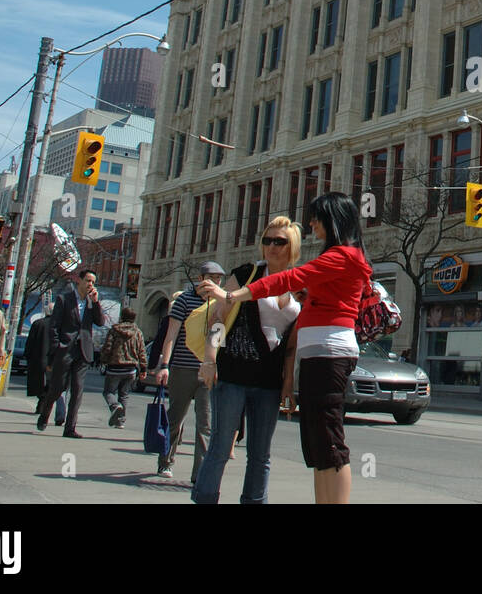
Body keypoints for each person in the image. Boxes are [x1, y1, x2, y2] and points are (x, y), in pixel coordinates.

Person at [206, 193, 371, 505]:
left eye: (316, 218)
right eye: (267, 240)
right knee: (316, 441)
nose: (311, 224)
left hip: (330, 351)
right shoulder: (335, 257)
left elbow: (291, 279)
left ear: (333, 219)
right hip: (317, 353)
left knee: (329, 438)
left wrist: (236, 296)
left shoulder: (344, 255)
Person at [192, 223, 301, 505]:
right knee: (220, 445)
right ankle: (205, 498)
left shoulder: (299, 284)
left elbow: (290, 346)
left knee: (261, 454)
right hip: (233, 374)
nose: (272, 246)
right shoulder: (246, 274)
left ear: (293, 247)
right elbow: (219, 318)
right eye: (267, 240)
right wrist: (209, 360)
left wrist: (288, 383)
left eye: (279, 241)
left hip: (269, 381)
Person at [152, 264, 222, 480]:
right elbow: (171, 334)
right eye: (211, 277)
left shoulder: (220, 303)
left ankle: (199, 474)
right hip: (182, 368)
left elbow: (220, 338)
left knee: (206, 424)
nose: (215, 282)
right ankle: (165, 461)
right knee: (175, 419)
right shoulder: (183, 301)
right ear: (200, 278)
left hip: (207, 371)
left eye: (219, 278)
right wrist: (164, 365)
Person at [36, 270, 104, 438]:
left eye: (93, 282)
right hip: (65, 349)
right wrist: (57, 347)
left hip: (83, 351)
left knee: (78, 390)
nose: (90, 284)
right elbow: (54, 326)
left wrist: (95, 303)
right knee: (58, 387)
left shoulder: (91, 302)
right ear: (79, 281)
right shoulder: (64, 299)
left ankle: (70, 428)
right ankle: (45, 414)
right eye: (88, 280)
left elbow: (100, 322)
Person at [99, 307, 147, 427]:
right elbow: (142, 351)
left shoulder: (114, 330)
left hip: (115, 366)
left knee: (108, 392)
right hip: (131, 368)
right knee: (124, 394)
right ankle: (120, 421)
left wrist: (103, 360)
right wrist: (143, 368)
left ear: (122, 316)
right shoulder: (138, 332)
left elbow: (108, 347)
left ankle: (115, 406)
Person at [25, 312, 66, 427]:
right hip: (57, 360)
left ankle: (42, 405)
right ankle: (60, 415)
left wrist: (28, 356)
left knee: (41, 383)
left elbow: (30, 342)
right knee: (58, 388)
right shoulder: (61, 325)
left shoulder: (38, 324)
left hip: (39, 359)